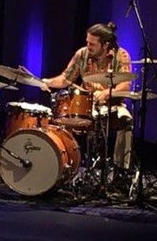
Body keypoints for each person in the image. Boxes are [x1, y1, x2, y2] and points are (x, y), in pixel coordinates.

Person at [42, 22, 134, 172]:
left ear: (105, 45)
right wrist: (47, 81)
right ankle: (66, 168)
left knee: (126, 122)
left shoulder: (120, 55)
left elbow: (125, 84)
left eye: (92, 44)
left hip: (112, 105)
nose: (88, 46)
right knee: (63, 120)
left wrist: (105, 93)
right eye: (87, 42)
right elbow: (66, 78)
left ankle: (121, 171)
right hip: (87, 104)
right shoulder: (82, 54)